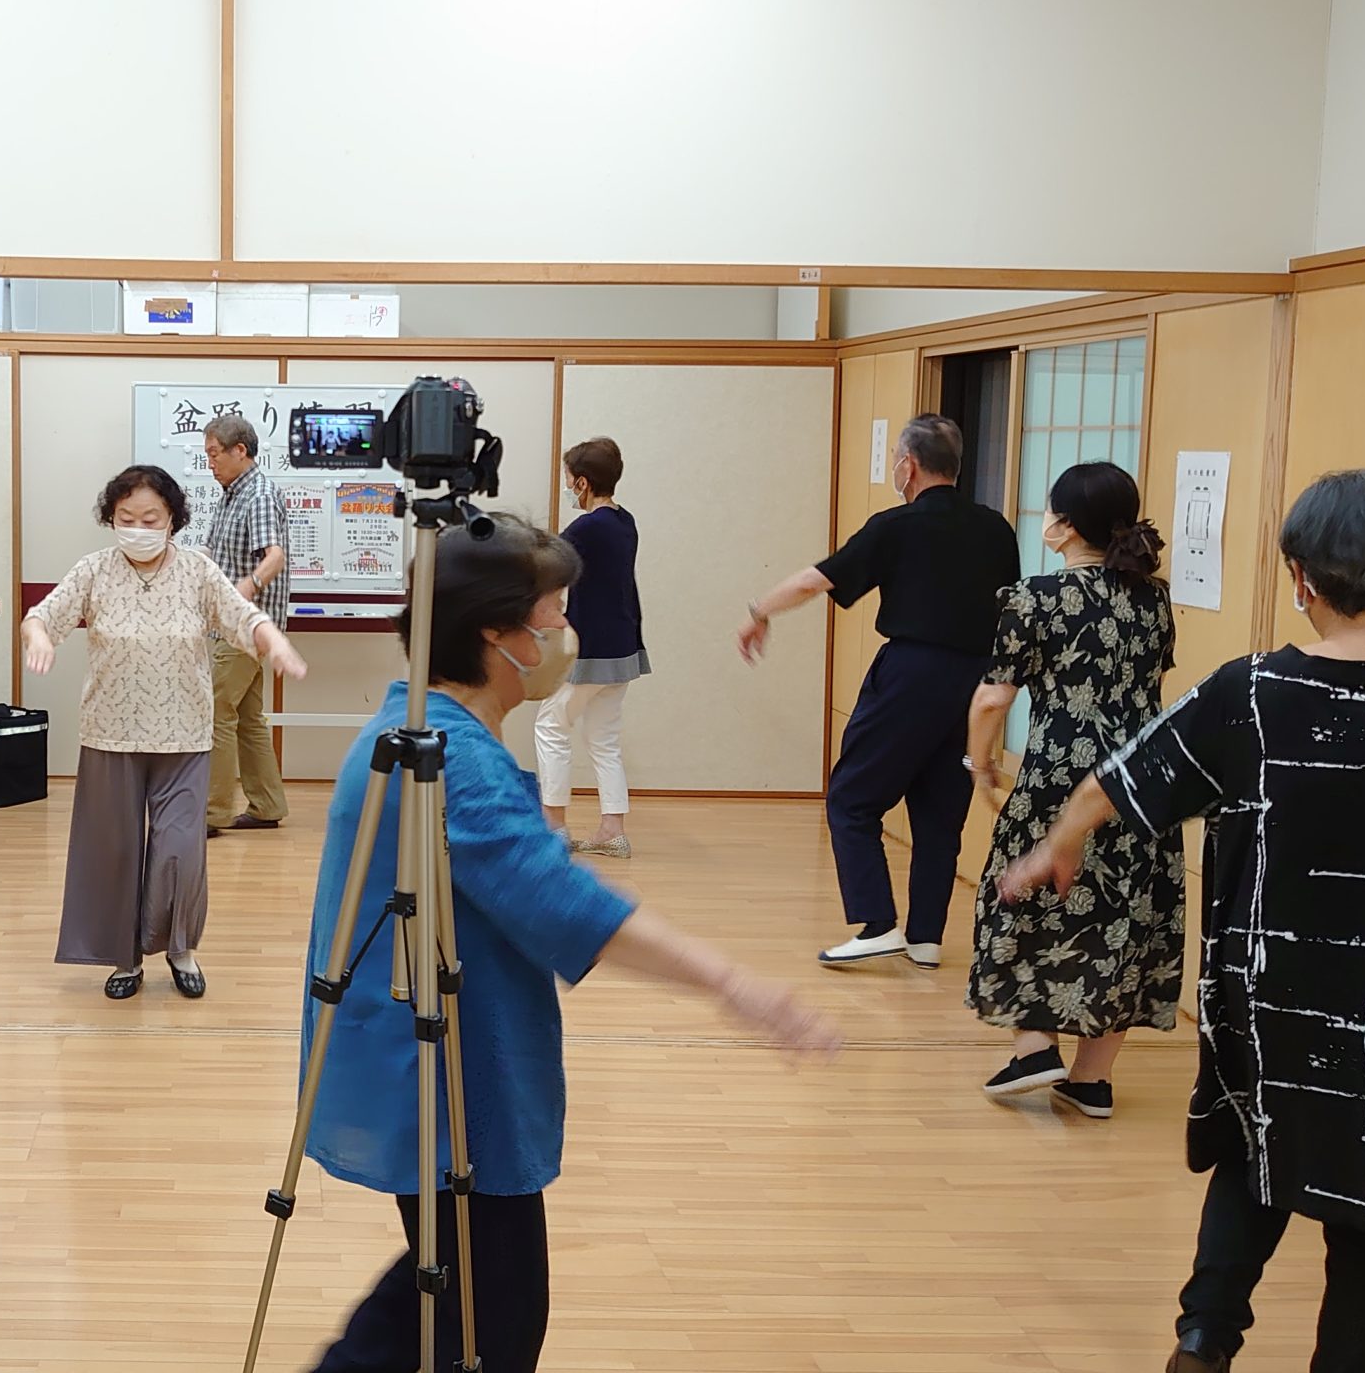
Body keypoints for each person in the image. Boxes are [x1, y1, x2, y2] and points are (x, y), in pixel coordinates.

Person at [1001, 470, 1365, 1373]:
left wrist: (1054, 848)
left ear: (1299, 578)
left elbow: (1114, 781)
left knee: (1254, 1159)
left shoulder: (1249, 692)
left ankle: (1203, 1343)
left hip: (1271, 996)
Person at [302, 513, 839, 1373]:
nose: (565, 633)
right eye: (552, 613)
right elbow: (565, 906)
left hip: (428, 1056)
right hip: (444, 1076)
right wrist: (734, 984)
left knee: (444, 1287)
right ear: (496, 633)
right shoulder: (451, 759)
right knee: (493, 1314)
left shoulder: (420, 727)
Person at [738, 415, 1019, 968]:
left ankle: (877, 923)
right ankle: (926, 938)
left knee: (851, 798)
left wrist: (759, 612)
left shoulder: (896, 525)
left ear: (907, 465)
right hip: (976, 680)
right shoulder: (996, 529)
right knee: (940, 810)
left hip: (910, 672)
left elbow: (814, 579)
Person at [23, 466, 308, 999]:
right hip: (111, 734)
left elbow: (243, 616)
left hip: (184, 736)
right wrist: (39, 638)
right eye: (125, 517)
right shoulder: (94, 571)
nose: (137, 527)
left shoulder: (197, 571)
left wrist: (275, 642)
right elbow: (41, 616)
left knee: (180, 850)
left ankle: (180, 949)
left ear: (173, 518)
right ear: (110, 519)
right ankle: (124, 958)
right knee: (115, 851)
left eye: (149, 517)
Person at [963, 462, 1181, 1118]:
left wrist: (982, 764)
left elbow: (992, 698)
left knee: (1019, 894)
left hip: (1059, 774)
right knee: (1125, 917)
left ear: (1060, 525)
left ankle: (1034, 1048)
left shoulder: (1033, 598)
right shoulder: (1155, 598)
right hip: (1142, 779)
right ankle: (1091, 1081)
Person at [535, 436, 647, 858]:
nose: (567, 487)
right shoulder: (625, 521)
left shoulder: (586, 527)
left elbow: (548, 570)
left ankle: (555, 829)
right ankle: (611, 831)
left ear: (582, 483)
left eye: (568, 480)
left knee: (550, 727)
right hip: (623, 645)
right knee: (604, 738)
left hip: (590, 648)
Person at [201, 412, 291, 835]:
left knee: (216, 711)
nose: (211, 463)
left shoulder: (257, 494)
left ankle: (212, 814)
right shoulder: (230, 494)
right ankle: (267, 805)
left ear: (241, 451)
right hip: (233, 627)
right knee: (249, 717)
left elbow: (274, 556)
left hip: (243, 626)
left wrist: (246, 587)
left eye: (215, 454)